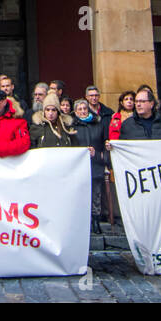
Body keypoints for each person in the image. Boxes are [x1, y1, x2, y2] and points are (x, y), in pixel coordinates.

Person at [71, 99, 108, 233]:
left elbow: (105, 144)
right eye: (79, 109)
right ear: (75, 112)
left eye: (84, 109)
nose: (82, 111)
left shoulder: (98, 125)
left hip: (95, 165)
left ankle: (96, 222)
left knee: (96, 196)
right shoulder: (72, 127)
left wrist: (97, 154)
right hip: (78, 168)